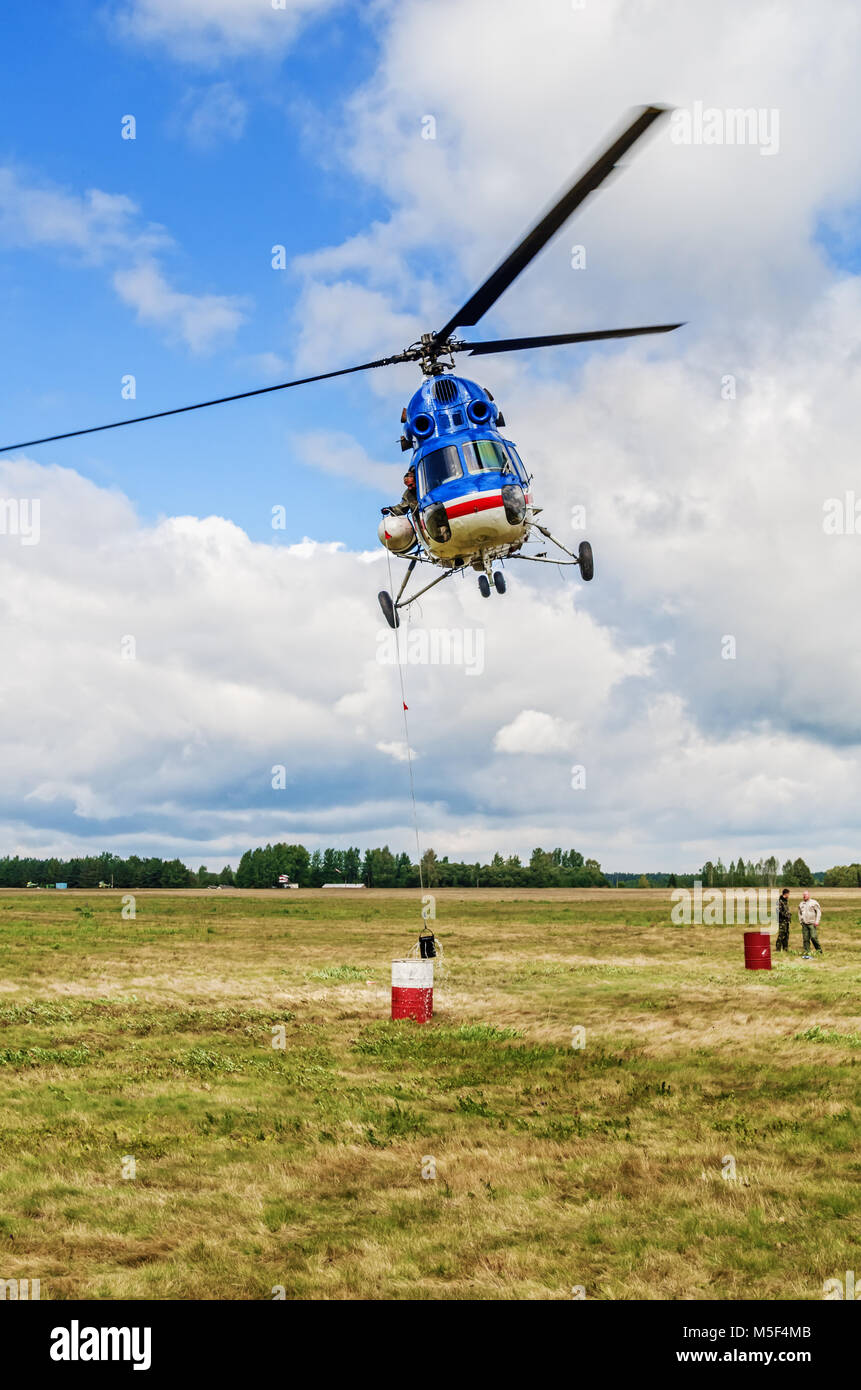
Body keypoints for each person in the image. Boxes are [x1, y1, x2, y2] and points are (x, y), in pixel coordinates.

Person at [798, 889, 823, 958]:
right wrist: (801, 921)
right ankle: (807, 953)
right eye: (803, 895)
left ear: (809, 895)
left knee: (813, 937)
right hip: (804, 924)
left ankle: (819, 951)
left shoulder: (814, 903)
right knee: (805, 939)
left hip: (812, 923)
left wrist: (817, 921)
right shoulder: (801, 904)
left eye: (805, 895)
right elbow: (799, 913)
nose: (804, 896)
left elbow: (818, 912)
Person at [776, 887, 791, 952]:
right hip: (782, 921)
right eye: (788, 894)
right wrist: (786, 915)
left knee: (786, 934)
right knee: (781, 934)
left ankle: (785, 948)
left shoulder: (785, 901)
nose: (789, 895)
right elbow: (779, 911)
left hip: (786, 921)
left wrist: (789, 915)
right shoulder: (780, 901)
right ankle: (778, 949)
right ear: (786, 894)